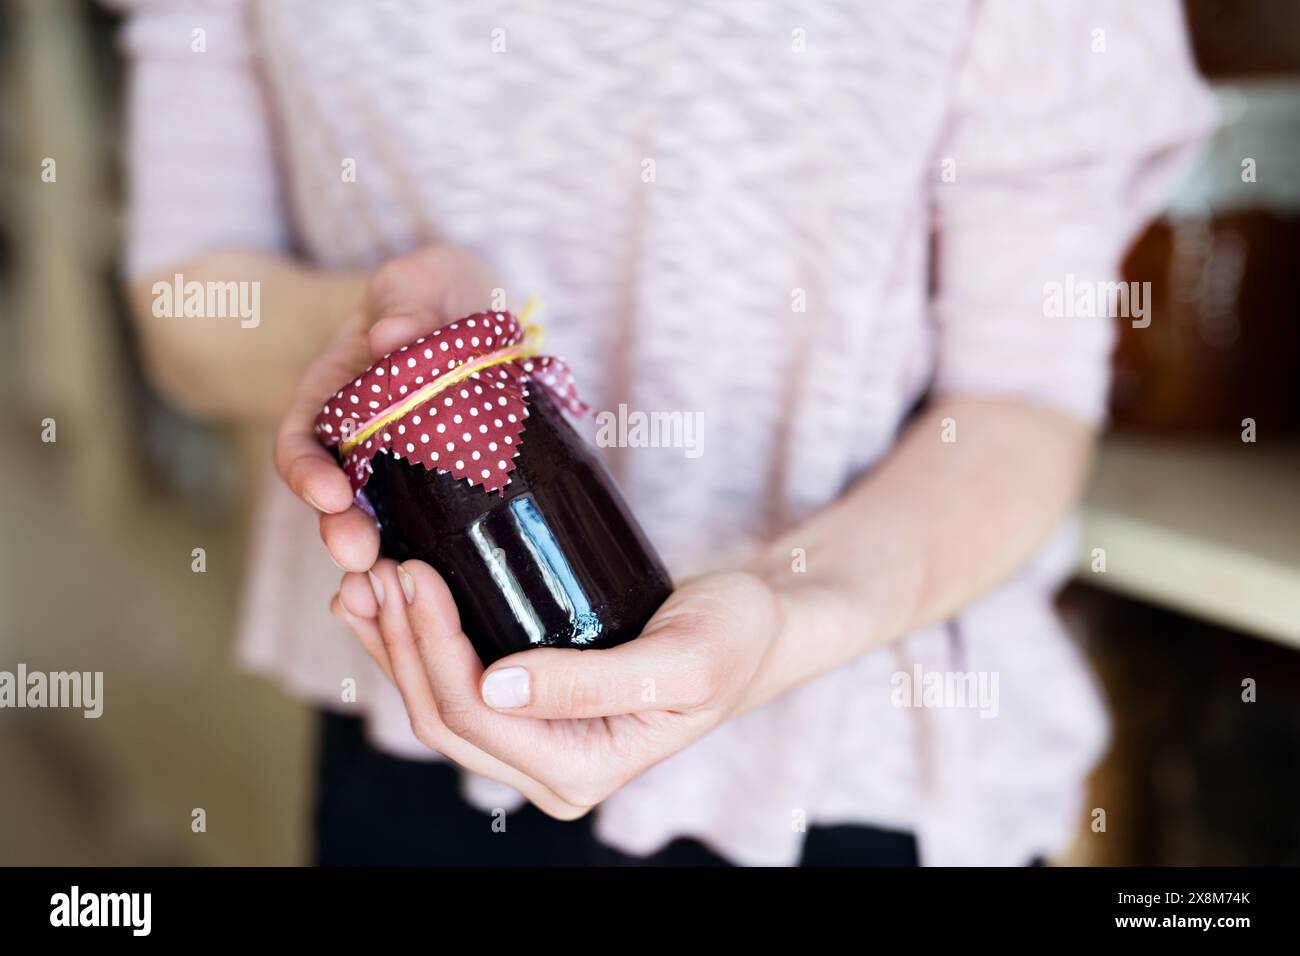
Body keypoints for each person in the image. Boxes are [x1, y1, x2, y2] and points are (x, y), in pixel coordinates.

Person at [114, 0, 1215, 865]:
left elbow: (1018, 401)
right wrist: (390, 339)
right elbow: (186, 306)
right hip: (408, 741)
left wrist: (788, 613)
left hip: (851, 768)